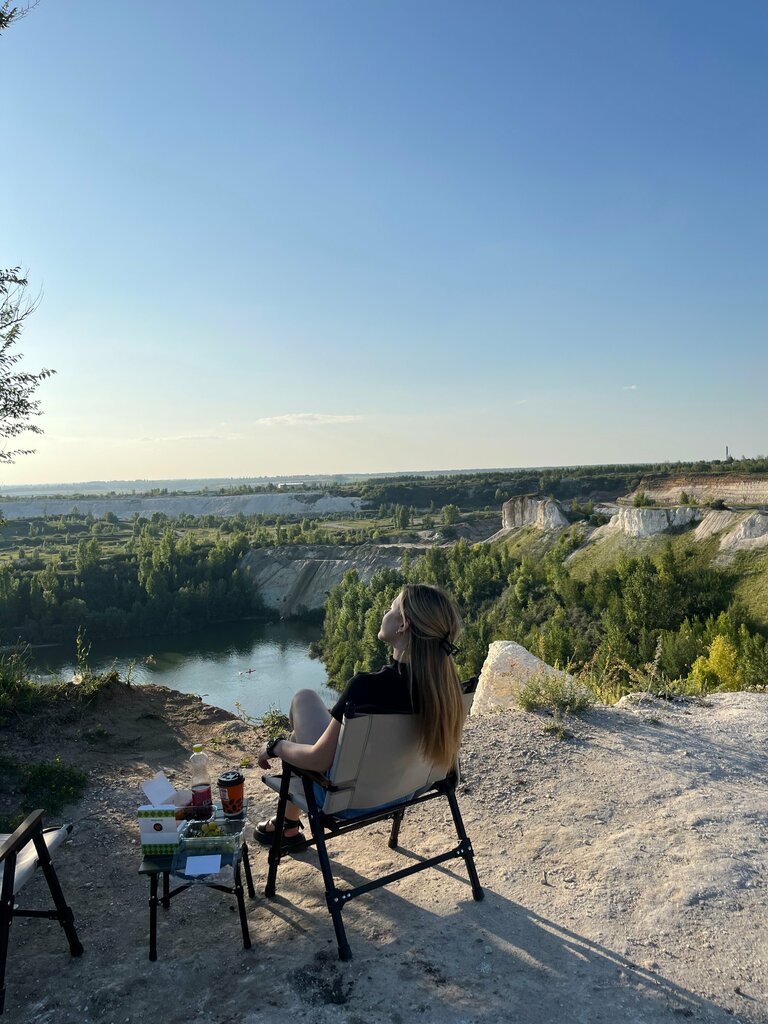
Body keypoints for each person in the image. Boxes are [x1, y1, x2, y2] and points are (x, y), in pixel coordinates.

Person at [254, 582, 466, 848]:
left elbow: (318, 760)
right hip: (406, 791)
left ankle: (286, 826)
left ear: (403, 625)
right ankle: (287, 825)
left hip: (349, 802)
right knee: (306, 724)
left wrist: (275, 746)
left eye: (391, 608)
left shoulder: (366, 688)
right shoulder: (446, 690)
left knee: (303, 699)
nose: (385, 613)